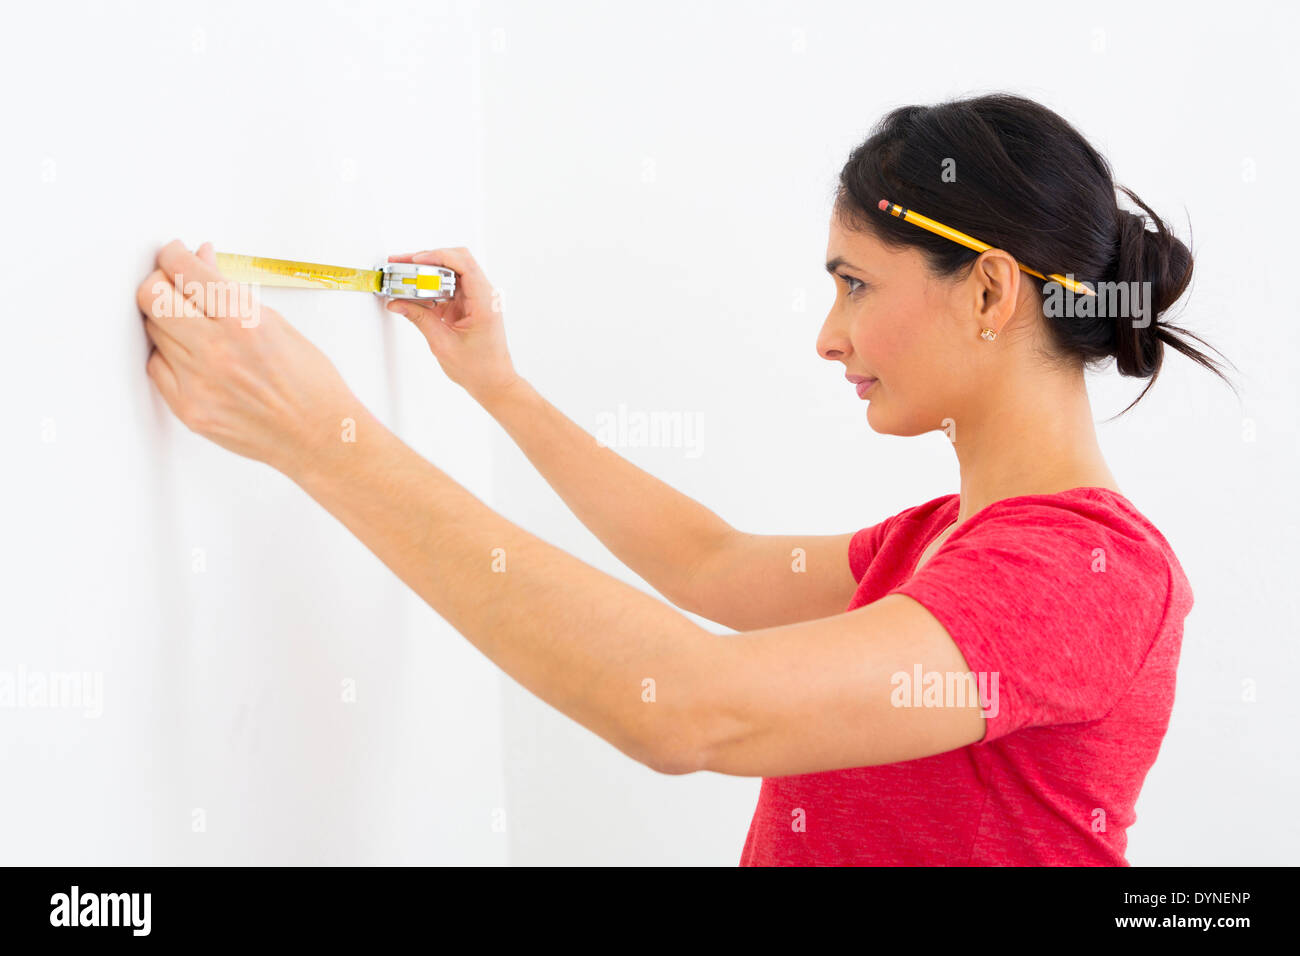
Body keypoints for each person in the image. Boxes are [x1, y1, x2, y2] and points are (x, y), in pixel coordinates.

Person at [136, 92, 1231, 866]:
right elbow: (706, 562)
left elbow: (694, 711)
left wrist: (324, 439)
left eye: (854, 283)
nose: (827, 334)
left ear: (989, 294)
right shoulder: (943, 539)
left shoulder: (1079, 574)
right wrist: (498, 384)